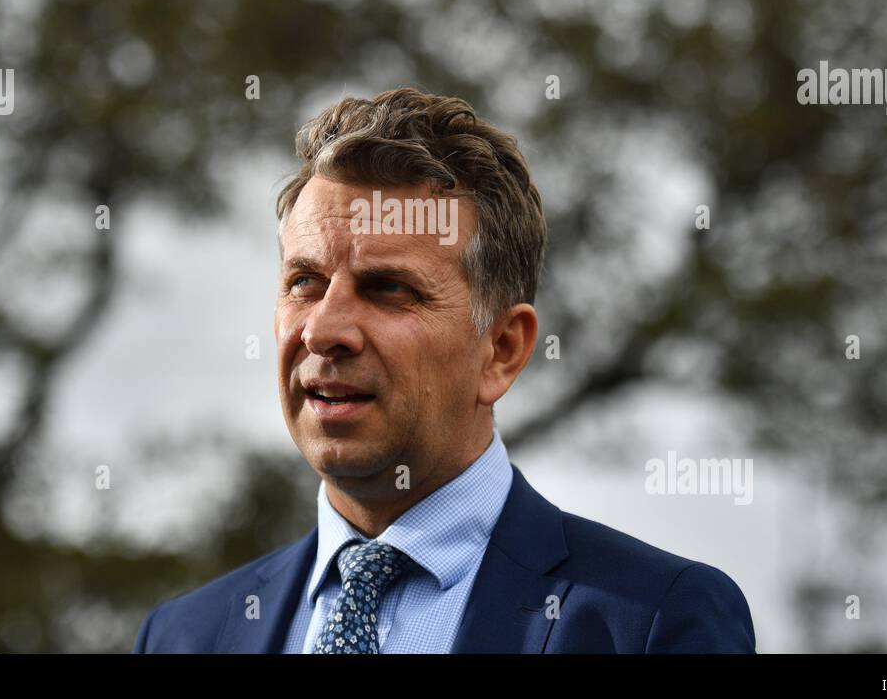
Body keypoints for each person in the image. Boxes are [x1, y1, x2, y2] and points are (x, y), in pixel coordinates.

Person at [134, 87, 755, 653]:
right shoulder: (184, 637)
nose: (323, 330)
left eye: (388, 289)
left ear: (503, 350)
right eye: (305, 282)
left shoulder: (652, 623)